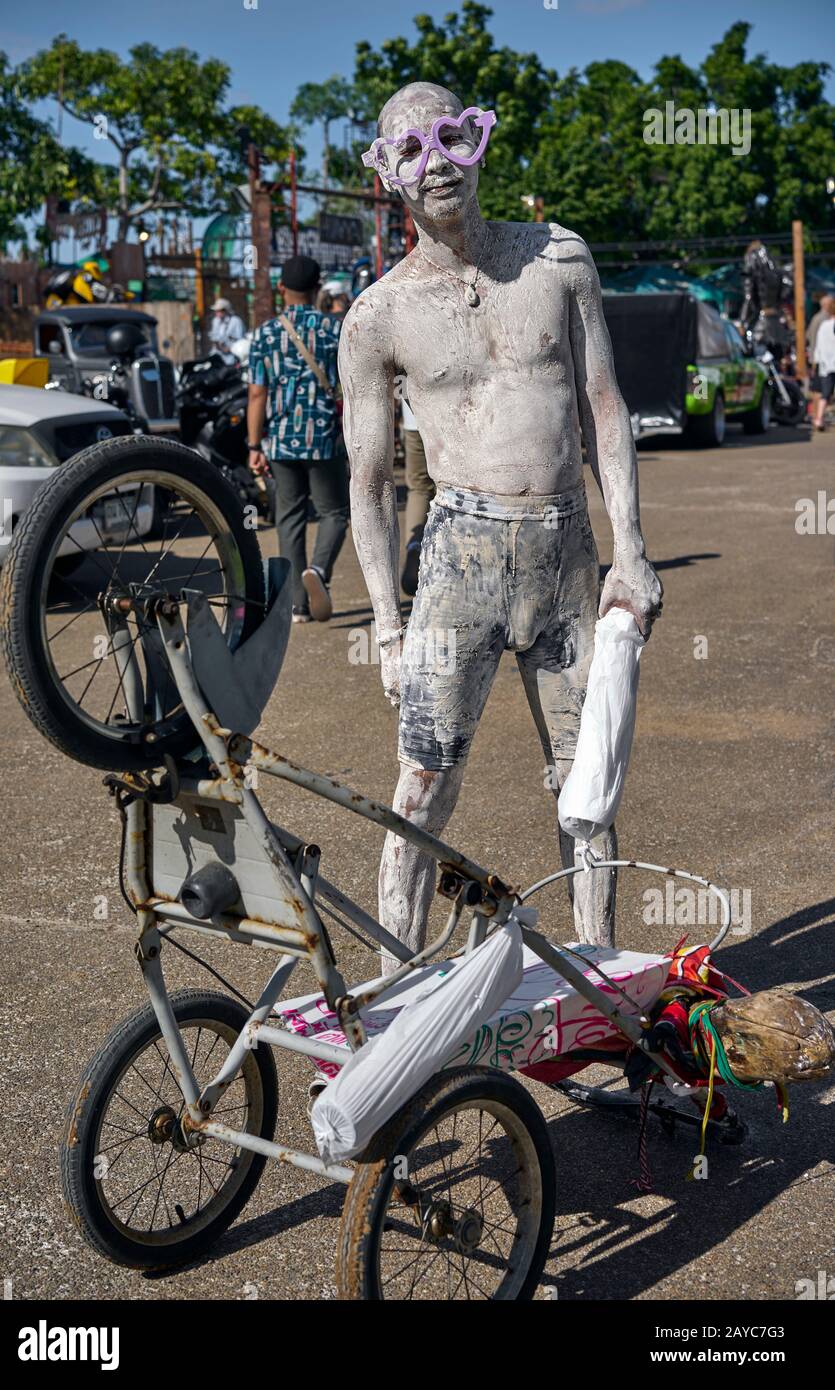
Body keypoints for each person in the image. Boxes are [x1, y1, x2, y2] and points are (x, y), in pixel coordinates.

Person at [339, 83, 662, 970]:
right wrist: (386, 624)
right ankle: (389, 1004)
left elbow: (603, 408)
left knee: (584, 784)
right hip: (457, 564)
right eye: (409, 150)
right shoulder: (376, 317)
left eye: (449, 138)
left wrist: (629, 551)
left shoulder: (558, 260)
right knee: (422, 786)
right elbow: (365, 482)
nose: (434, 162)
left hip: (566, 559)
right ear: (385, 172)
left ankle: (601, 982)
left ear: (478, 140)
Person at [247, 254, 350, 622]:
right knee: (335, 512)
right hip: (323, 437)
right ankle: (319, 571)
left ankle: (296, 605)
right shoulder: (333, 328)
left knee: (288, 518)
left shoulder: (264, 334)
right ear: (317, 287)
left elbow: (257, 393)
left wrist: (254, 444)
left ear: (281, 288)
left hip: (279, 440)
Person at [399, 396, 434, 595]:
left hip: (413, 419)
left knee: (419, 489)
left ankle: (414, 547)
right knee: (453, 490)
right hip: (456, 417)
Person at [811, 297, 835, 432]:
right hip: (828, 363)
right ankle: (818, 418)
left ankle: (818, 418)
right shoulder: (822, 321)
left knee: (824, 393)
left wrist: (816, 361)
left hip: (825, 363)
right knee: (824, 392)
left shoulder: (823, 324)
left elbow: (817, 345)